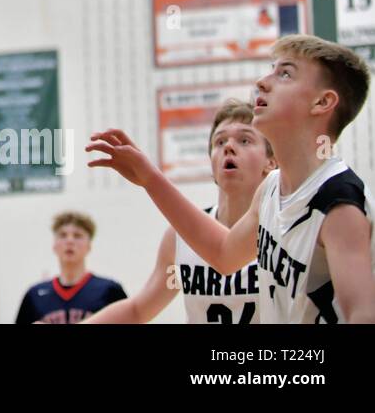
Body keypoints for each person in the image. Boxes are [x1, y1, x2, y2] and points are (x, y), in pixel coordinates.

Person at [88, 34, 375, 323]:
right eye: (271, 69)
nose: (263, 82)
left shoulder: (339, 203)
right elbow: (223, 255)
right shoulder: (271, 190)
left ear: (322, 102)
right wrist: (149, 178)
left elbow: (362, 316)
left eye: (285, 73)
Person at [86, 99, 274, 324]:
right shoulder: (179, 237)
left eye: (245, 140)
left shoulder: (282, 227)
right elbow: (138, 309)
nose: (229, 147)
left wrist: (149, 177)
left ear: (271, 162)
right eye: (220, 141)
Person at [14, 212, 127, 323]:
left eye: (77, 235)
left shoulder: (110, 290)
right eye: (63, 235)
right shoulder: (34, 295)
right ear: (54, 245)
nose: (70, 241)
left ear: (89, 245)